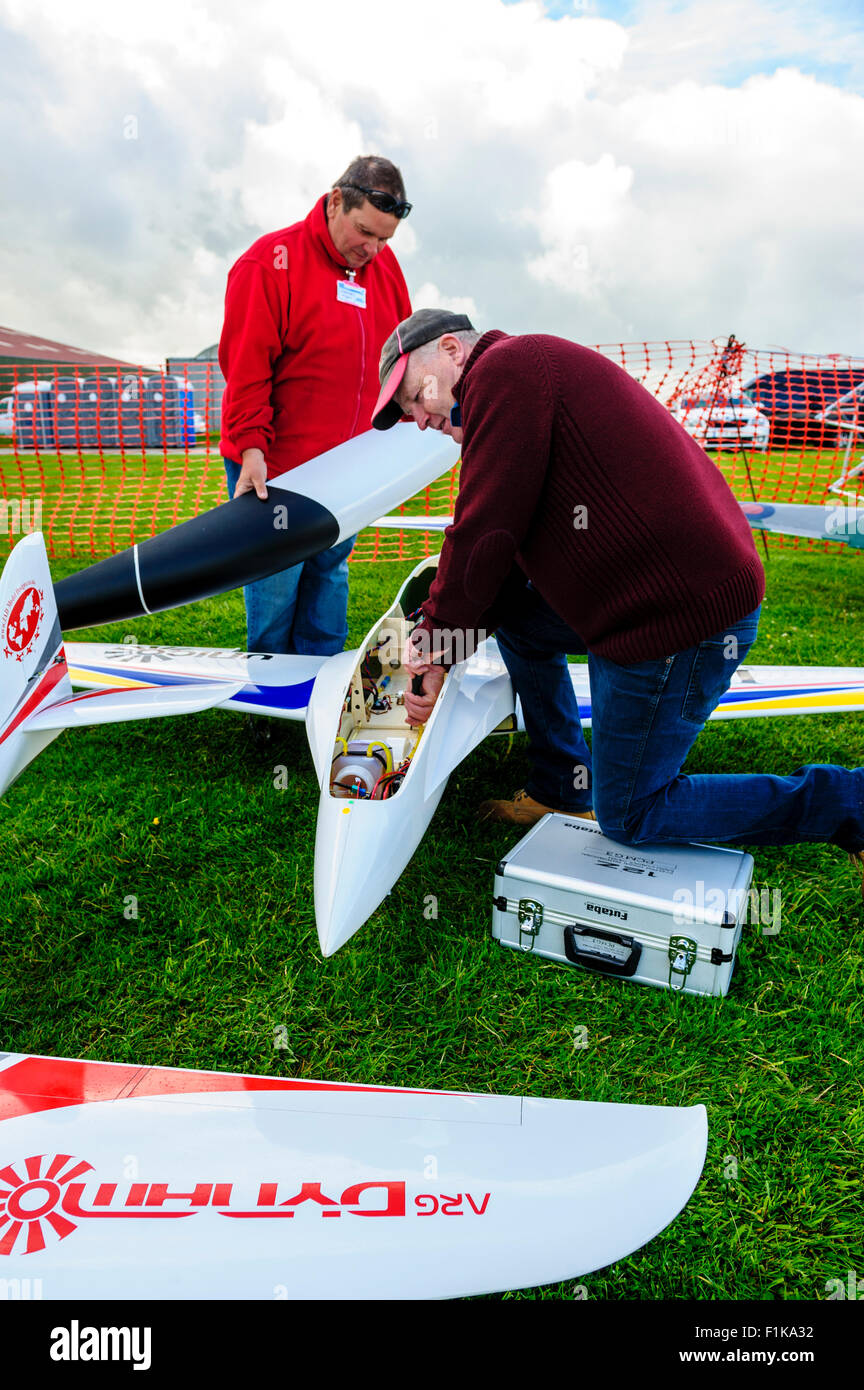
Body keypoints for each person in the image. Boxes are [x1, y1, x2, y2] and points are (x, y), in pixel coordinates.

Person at [369, 310, 864, 895]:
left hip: (673, 615)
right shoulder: (522, 372)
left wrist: (428, 642)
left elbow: (483, 529)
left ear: (451, 348)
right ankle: (559, 783)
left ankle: (844, 802)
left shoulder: (503, 370)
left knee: (632, 815)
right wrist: (445, 648)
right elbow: (503, 561)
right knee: (522, 627)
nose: (419, 419)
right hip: (652, 591)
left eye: (413, 395)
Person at [219, 155, 413, 656]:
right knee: (276, 583)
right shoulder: (269, 263)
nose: (373, 250)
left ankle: (320, 692)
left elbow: (400, 358)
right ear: (334, 203)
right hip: (277, 465)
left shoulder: (384, 271)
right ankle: (267, 695)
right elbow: (246, 370)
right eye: (365, 232)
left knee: (330, 574)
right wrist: (251, 450)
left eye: (385, 240)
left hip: (346, 466)